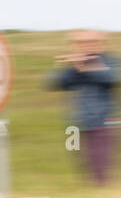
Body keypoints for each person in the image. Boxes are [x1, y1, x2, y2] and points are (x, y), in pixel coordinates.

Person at [48, 29, 117, 185]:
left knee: (99, 164)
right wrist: (73, 69)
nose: (85, 46)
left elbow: (111, 78)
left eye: (90, 42)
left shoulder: (107, 62)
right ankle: (89, 188)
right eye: (80, 43)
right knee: (79, 160)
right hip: (76, 123)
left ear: (100, 44)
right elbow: (55, 83)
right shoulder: (74, 67)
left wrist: (87, 67)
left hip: (102, 122)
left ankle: (101, 190)